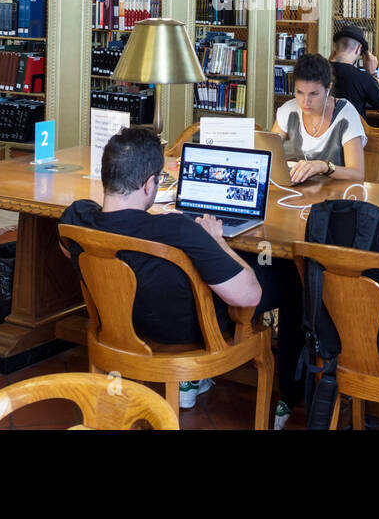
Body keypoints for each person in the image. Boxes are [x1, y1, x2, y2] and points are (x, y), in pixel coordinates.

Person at [59, 127, 304, 426]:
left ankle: (198, 385)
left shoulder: (76, 217)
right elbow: (249, 296)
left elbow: (68, 247)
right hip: (190, 335)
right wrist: (216, 241)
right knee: (289, 276)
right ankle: (293, 395)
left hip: (120, 326)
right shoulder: (179, 231)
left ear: (105, 176)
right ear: (150, 184)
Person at [273, 53, 366, 185]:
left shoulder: (345, 114)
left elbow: (358, 174)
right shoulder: (289, 110)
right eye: (299, 92)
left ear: (328, 88)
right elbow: (268, 151)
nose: (305, 102)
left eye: (314, 94)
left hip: (336, 195)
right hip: (302, 191)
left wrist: (324, 167)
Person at [328, 24, 379, 117]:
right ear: (358, 48)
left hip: (320, 130)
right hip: (351, 130)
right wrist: (373, 73)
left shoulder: (318, 71)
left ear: (334, 46)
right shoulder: (364, 78)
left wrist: (328, 62)